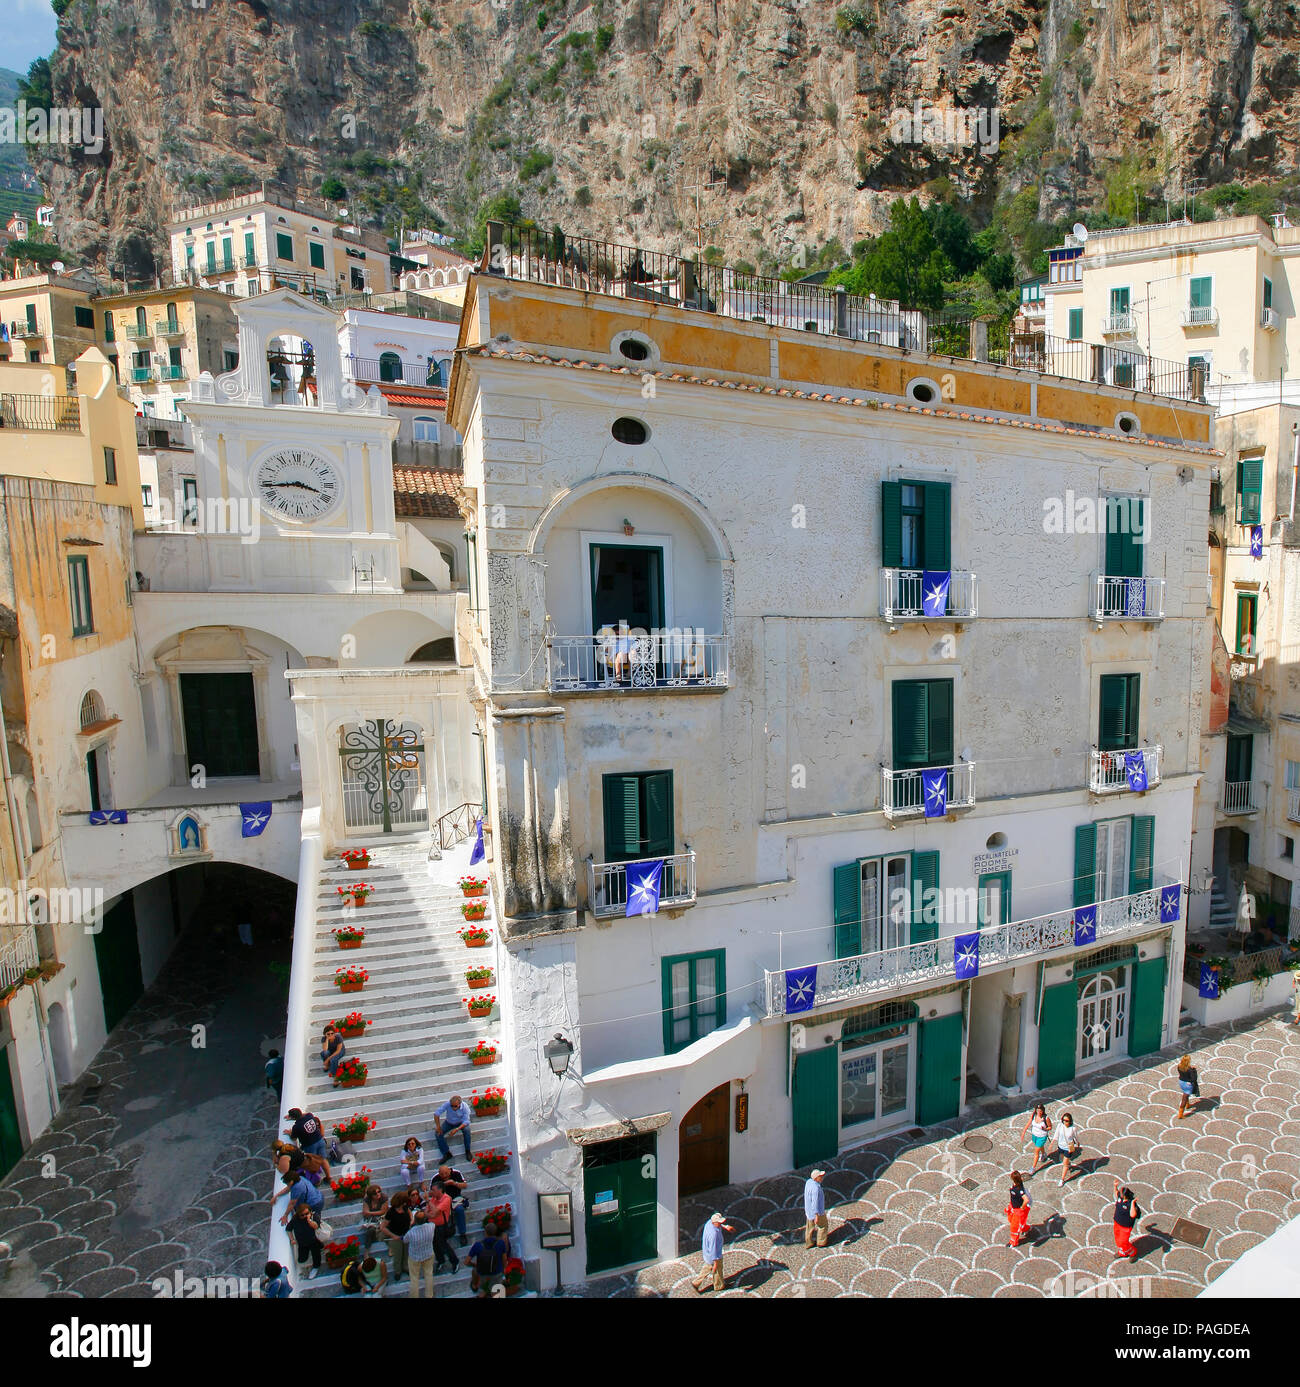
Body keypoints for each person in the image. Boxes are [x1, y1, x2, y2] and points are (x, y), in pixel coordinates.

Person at [692, 1212, 732, 1293]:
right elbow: (713, 1250)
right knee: (718, 1269)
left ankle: (696, 1283)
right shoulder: (714, 1235)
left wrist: (726, 1227)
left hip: (707, 1254)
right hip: (714, 1256)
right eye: (720, 1222)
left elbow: (718, 1224)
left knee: (706, 1268)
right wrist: (716, 1263)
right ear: (715, 1222)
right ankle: (719, 1286)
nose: (721, 1223)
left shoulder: (709, 1223)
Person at [468, 1220, 510, 1298]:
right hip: (496, 1272)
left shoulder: (478, 1245)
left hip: (482, 1272)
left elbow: (466, 1262)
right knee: (495, 1294)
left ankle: (475, 1287)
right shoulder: (501, 1243)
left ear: (485, 1233)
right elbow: (504, 1260)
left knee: (482, 1290)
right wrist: (504, 1270)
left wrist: (474, 1265)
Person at [428, 1178, 459, 1275]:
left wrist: (427, 1202)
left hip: (442, 1227)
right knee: (435, 1246)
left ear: (440, 1190)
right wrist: (431, 1213)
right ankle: (440, 1261)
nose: (431, 1192)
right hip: (432, 1226)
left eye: (433, 1190)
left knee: (444, 1246)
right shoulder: (433, 1199)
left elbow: (435, 1211)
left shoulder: (446, 1199)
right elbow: (428, 1212)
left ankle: (455, 1261)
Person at [403, 1211, 438, 1298]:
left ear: (415, 1220)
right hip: (428, 1254)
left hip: (414, 1257)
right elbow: (432, 1222)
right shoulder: (431, 1227)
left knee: (414, 1278)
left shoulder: (411, 1232)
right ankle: (429, 1295)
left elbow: (405, 1240)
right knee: (429, 1275)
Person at [286, 1200, 322, 1279]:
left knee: (316, 1255)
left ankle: (316, 1267)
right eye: (302, 1215)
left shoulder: (314, 1216)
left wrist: (309, 1220)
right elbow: (288, 1229)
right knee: (302, 1259)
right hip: (302, 1242)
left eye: (307, 1213)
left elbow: (315, 1226)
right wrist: (292, 1239)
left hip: (313, 1241)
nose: (305, 1216)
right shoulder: (295, 1219)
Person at [380, 1190, 412, 1282]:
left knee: (406, 1253)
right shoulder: (391, 1212)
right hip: (396, 1237)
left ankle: (405, 1267)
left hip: (406, 1235)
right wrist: (393, 1236)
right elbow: (383, 1227)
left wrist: (411, 1221)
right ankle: (398, 1271)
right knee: (398, 1255)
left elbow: (409, 1213)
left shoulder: (405, 1207)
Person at [436, 1164, 470, 1245]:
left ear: (449, 1171)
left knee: (459, 1209)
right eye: (442, 1174)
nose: (444, 1176)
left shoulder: (456, 1173)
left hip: (456, 1198)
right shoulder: (436, 1178)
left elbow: (465, 1185)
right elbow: (431, 1193)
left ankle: (462, 1234)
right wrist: (442, 1186)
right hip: (443, 1200)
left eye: (446, 1174)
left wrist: (454, 1183)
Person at [433, 1094, 473, 1161]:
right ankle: (446, 1153)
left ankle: (468, 1150)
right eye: (452, 1106)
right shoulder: (448, 1104)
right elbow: (436, 1114)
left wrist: (457, 1129)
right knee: (438, 1133)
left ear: (459, 1104)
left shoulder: (465, 1107)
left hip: (461, 1123)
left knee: (467, 1130)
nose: (453, 1108)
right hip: (449, 1122)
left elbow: (466, 1121)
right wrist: (438, 1126)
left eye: (455, 1106)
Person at [1112, 1179, 1142, 1260]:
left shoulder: (1130, 1204)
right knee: (1118, 1240)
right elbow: (1116, 1193)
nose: (1120, 1194)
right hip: (1117, 1223)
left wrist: (1132, 1203)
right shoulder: (1120, 1198)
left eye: (1121, 1193)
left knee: (1122, 1242)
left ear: (1125, 1196)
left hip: (1125, 1227)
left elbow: (1133, 1215)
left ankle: (1132, 1252)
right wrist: (1115, 1186)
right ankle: (1123, 1252)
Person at [1021, 1103, 1052, 1175]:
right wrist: (1023, 1132)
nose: (1039, 1112)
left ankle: (1033, 1168)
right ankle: (1044, 1154)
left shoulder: (1046, 1118)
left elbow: (1050, 1127)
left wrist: (1045, 1128)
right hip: (1034, 1135)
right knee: (1039, 1146)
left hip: (1042, 1136)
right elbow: (1029, 1123)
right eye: (1037, 1110)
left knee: (1036, 1151)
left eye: (1040, 1111)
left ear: (1043, 1111)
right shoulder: (1034, 1115)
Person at [1053, 1111, 1082, 1187]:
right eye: (1063, 1120)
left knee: (1064, 1164)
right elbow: (1056, 1134)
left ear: (1070, 1121)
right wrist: (1052, 1142)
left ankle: (1062, 1179)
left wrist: (1078, 1142)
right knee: (1062, 1158)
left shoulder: (1073, 1128)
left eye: (1066, 1121)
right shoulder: (1060, 1126)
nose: (1065, 1122)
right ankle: (1068, 1164)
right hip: (1060, 1145)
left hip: (1068, 1148)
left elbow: (1075, 1136)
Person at [803, 1169, 828, 1249]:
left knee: (809, 1228)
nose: (822, 1177)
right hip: (818, 1212)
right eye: (820, 1176)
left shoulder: (808, 1182)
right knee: (823, 1226)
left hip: (808, 1210)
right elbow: (815, 1203)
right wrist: (816, 1215)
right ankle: (821, 1242)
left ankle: (808, 1243)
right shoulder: (815, 1188)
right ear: (816, 1178)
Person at [1006, 1170, 1032, 1248]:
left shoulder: (1019, 1189)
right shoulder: (1016, 1184)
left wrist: (1022, 1207)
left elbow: (1026, 1199)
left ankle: (1013, 1242)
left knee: (1014, 1227)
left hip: (1018, 1210)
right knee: (1011, 1219)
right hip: (1013, 1207)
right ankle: (1025, 1228)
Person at [360, 1184, 389, 1249]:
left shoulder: (384, 1198)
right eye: (375, 1193)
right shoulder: (367, 1200)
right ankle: (366, 1252)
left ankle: (390, 1247)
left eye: (379, 1191)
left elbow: (383, 1211)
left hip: (383, 1218)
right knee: (370, 1231)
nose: (378, 1194)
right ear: (371, 1196)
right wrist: (374, 1213)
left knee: (387, 1228)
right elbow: (365, 1213)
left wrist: (370, 1213)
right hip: (371, 1220)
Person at [1175, 1055, 1201, 1120]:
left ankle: (1188, 1105)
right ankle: (1180, 1114)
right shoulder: (1189, 1070)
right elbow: (1194, 1078)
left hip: (1181, 1082)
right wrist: (1194, 1070)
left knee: (1186, 1095)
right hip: (1187, 1084)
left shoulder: (1179, 1066)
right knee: (1184, 1097)